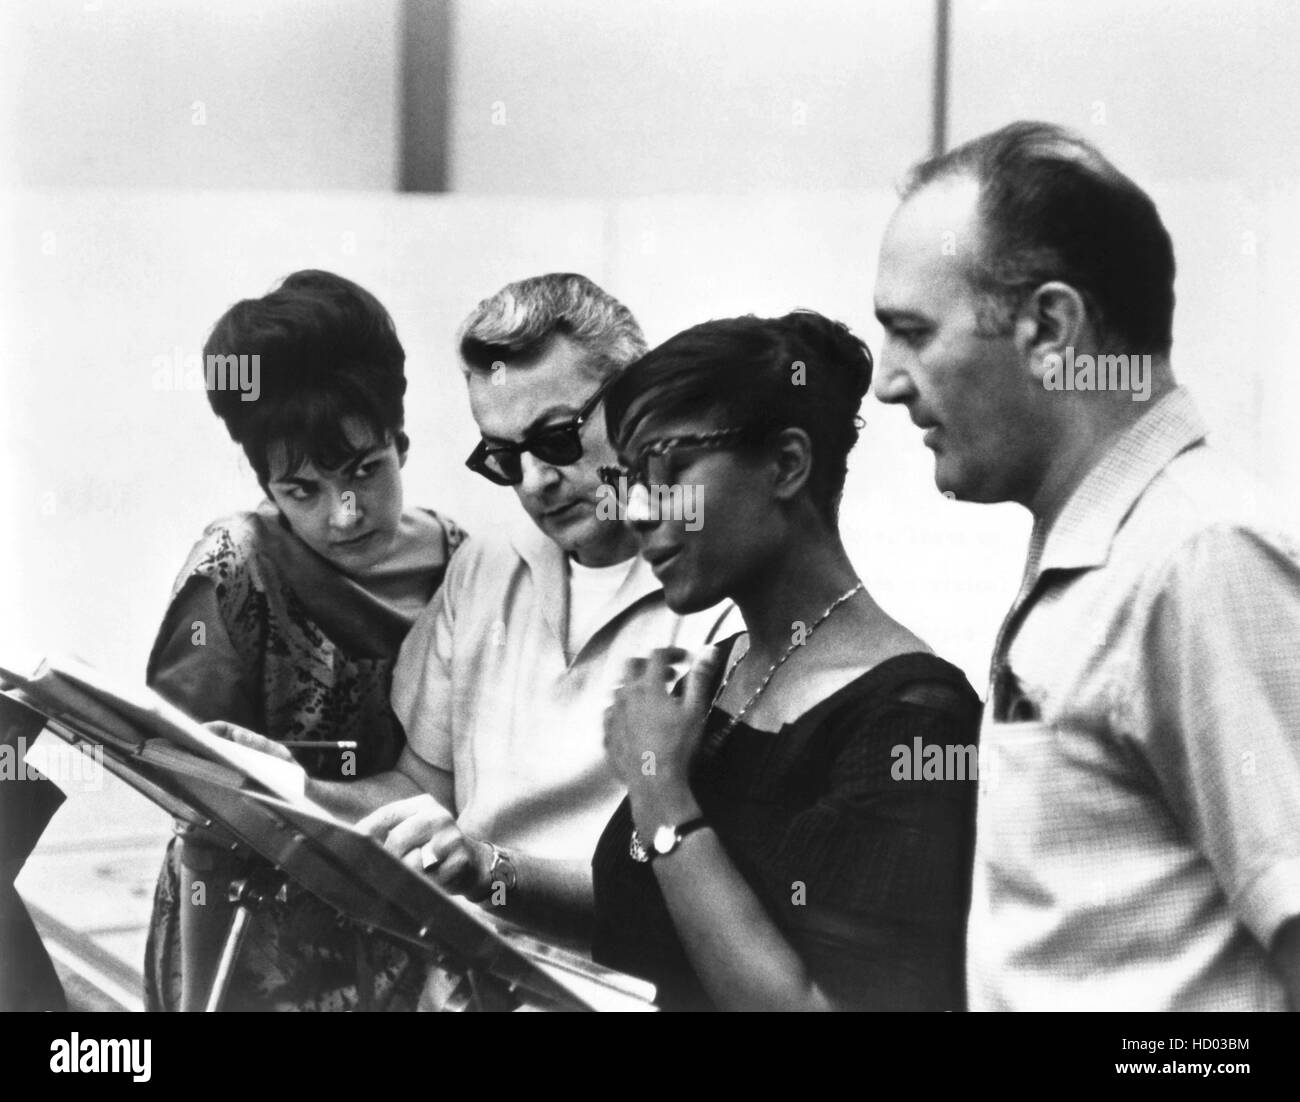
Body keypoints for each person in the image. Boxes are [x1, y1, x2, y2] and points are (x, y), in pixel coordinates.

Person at [873, 120, 1300, 1011]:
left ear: (1050, 327)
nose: (887, 380)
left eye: (913, 333)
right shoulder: (1112, 553)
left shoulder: (1201, 559)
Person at [319, 274, 738, 952]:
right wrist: (274, 783)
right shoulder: (485, 567)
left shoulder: (718, 599)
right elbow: (422, 795)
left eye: (559, 438)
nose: (537, 481)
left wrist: (490, 871)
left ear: (640, 402)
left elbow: (698, 895)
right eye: (506, 458)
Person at [590, 310, 982, 1011]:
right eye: (629, 479)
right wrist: (483, 870)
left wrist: (660, 795)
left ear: (786, 465)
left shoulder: (914, 722)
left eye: (671, 469)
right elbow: (656, 923)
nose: (639, 510)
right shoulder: (719, 673)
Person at [144, 269, 465, 1011]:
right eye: (303, 492)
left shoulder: (461, 568)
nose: (344, 514)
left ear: (402, 444)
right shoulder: (233, 569)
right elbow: (200, 809)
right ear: (265, 484)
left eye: (363, 471)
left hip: (400, 924)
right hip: (248, 934)